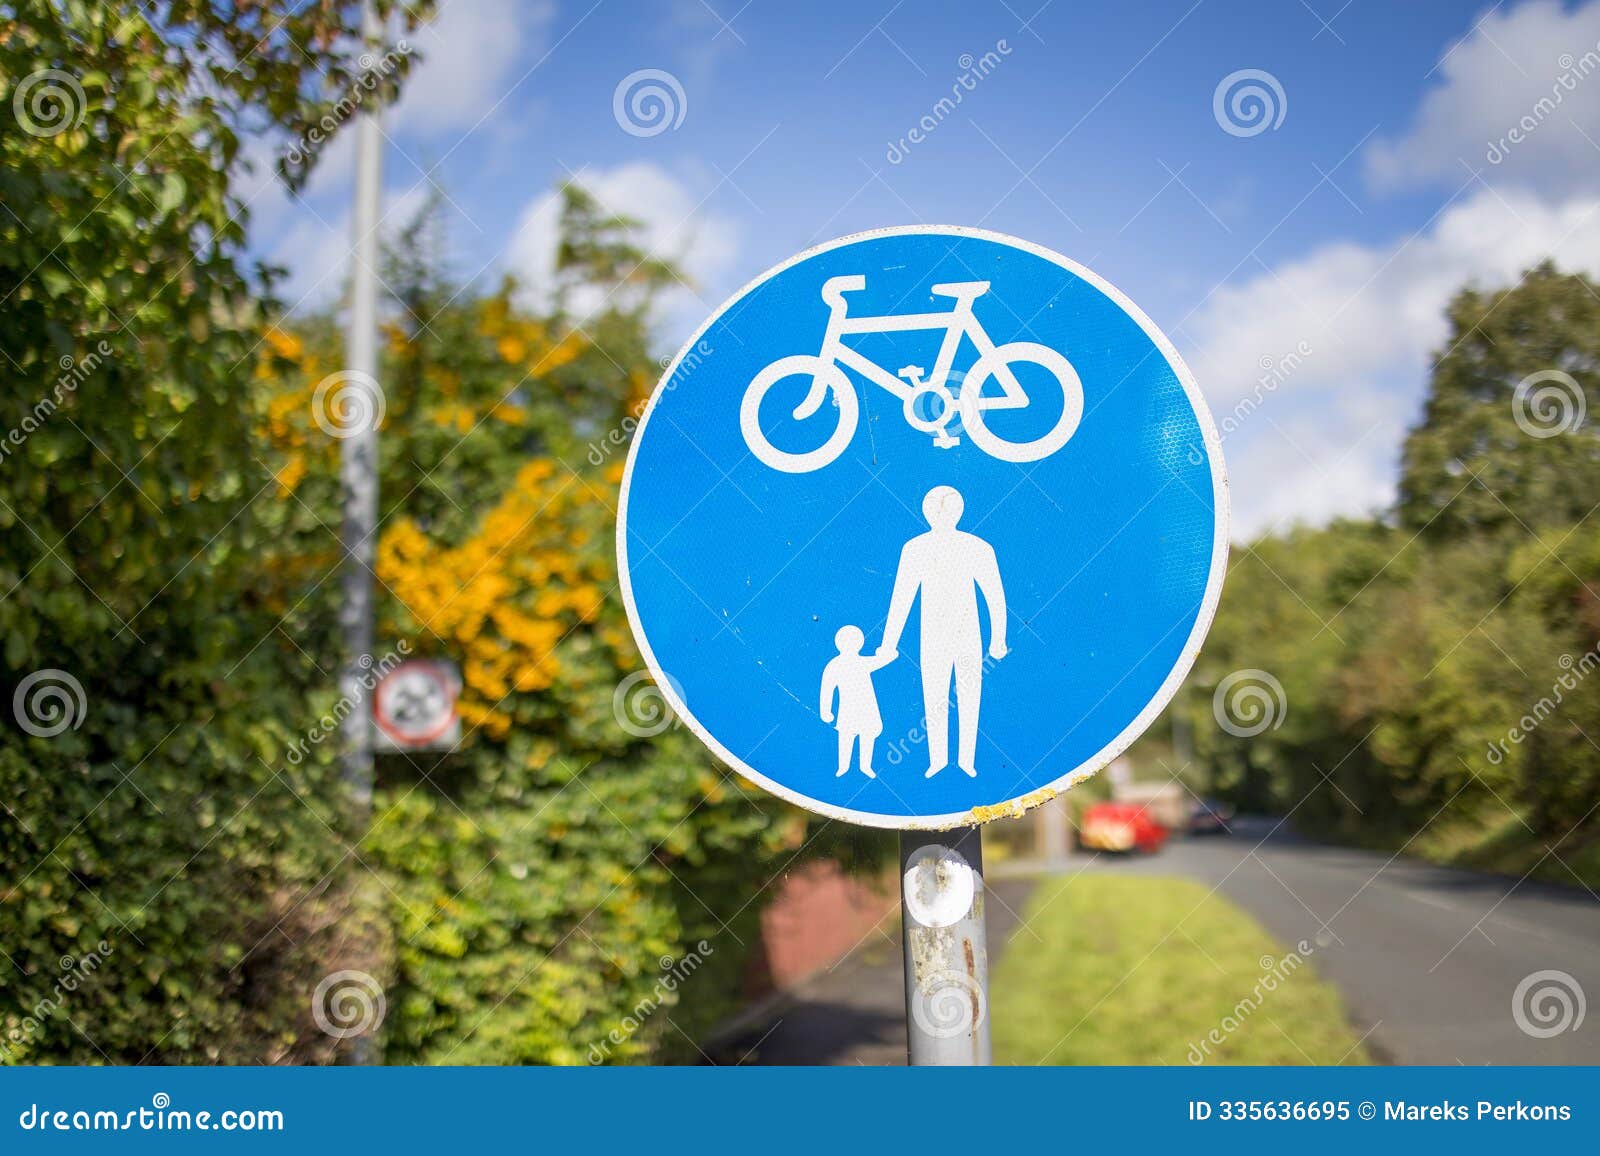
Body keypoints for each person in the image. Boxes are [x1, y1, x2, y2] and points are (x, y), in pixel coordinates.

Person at [878, 485, 1007, 778]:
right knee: (934, 698)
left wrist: (998, 637)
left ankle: (967, 760)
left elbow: (995, 596)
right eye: (934, 506)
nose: (941, 512)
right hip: (932, 635)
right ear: (924, 511)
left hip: (968, 636)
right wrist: (888, 644)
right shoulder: (915, 548)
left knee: (969, 694)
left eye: (948, 507)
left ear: (960, 510)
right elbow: (901, 598)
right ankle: (936, 760)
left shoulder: (977, 547)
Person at [819, 625, 895, 778]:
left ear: (860, 643)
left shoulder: (862, 661)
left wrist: (889, 653)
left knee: (867, 735)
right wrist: (825, 711)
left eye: (854, 641)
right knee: (846, 736)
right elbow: (827, 690)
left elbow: (880, 661)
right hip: (847, 709)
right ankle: (843, 767)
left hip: (866, 707)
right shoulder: (834, 665)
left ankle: (866, 766)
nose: (851, 645)